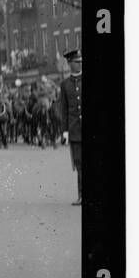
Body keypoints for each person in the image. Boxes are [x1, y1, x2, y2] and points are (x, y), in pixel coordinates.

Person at [58, 49, 82, 205]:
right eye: (76, 62)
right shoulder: (65, 84)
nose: (79, 64)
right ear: (69, 64)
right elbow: (64, 110)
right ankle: (81, 194)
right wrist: (65, 131)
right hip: (74, 130)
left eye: (80, 62)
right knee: (79, 163)